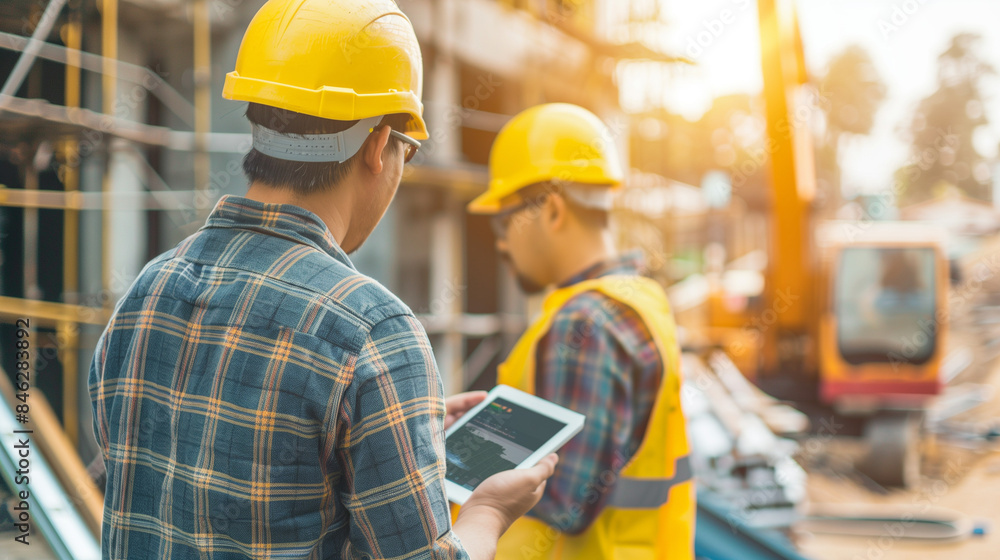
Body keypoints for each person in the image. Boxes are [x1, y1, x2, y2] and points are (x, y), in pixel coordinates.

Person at [88, 1, 555, 558]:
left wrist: (389, 426)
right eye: (409, 149)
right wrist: (488, 511)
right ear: (380, 147)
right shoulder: (372, 333)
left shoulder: (147, 291)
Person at [466, 103, 696, 559]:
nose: (500, 241)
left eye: (503, 220)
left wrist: (454, 461)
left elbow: (567, 500)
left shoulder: (584, 323)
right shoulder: (637, 299)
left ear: (551, 210)